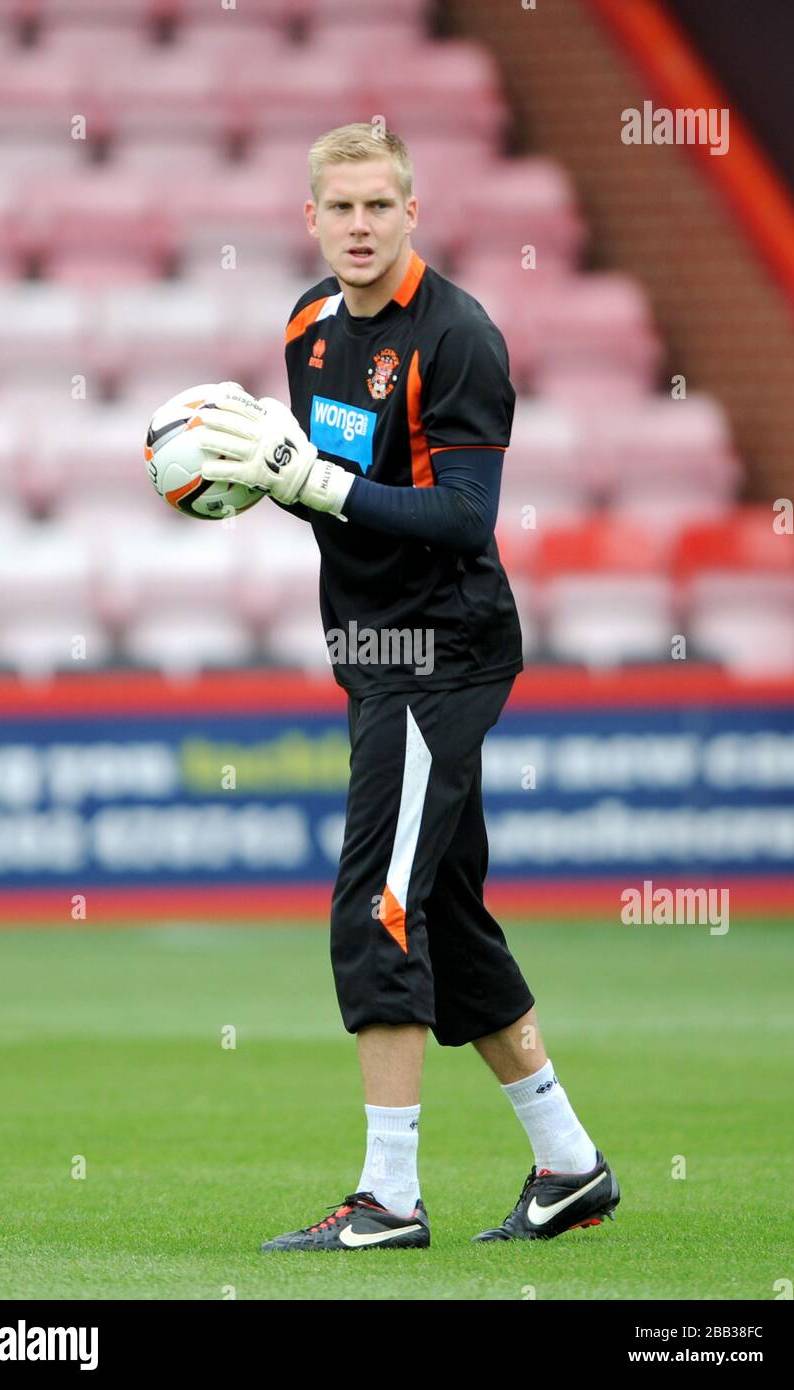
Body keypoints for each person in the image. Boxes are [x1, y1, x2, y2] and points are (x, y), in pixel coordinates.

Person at [197, 123, 620, 1251]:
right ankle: (569, 1165)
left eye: (378, 206)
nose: (358, 226)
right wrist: (251, 477)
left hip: (443, 650)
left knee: (375, 909)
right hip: (371, 653)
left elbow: (459, 519)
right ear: (310, 217)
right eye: (338, 208)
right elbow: (341, 491)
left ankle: (387, 1201)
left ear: (411, 211)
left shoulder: (459, 335)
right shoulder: (304, 326)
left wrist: (315, 481)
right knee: (441, 910)